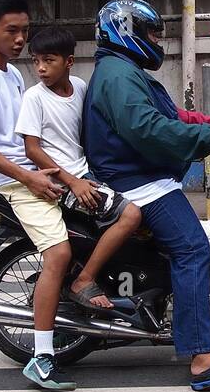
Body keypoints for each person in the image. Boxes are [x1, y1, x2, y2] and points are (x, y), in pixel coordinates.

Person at [84, 0, 210, 391]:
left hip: (144, 175)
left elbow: (172, 117)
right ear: (125, 31)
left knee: (186, 249)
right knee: (193, 247)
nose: (157, 41)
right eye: (150, 33)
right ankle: (202, 358)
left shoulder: (127, 71)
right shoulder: (117, 76)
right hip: (136, 181)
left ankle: (202, 312)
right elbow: (148, 129)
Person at [0, 0, 74, 392]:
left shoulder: (11, 73)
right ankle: (42, 358)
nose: (21, 39)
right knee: (58, 252)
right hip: (13, 182)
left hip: (34, 169)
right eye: (12, 31)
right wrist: (30, 179)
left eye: (25, 31)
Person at [15, 25, 142, 313]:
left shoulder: (82, 88)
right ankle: (83, 280)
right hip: (61, 182)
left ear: (69, 62)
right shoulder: (34, 98)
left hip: (86, 172)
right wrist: (73, 183)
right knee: (131, 214)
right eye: (36, 61)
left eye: (49, 60)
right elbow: (32, 150)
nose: (41, 69)